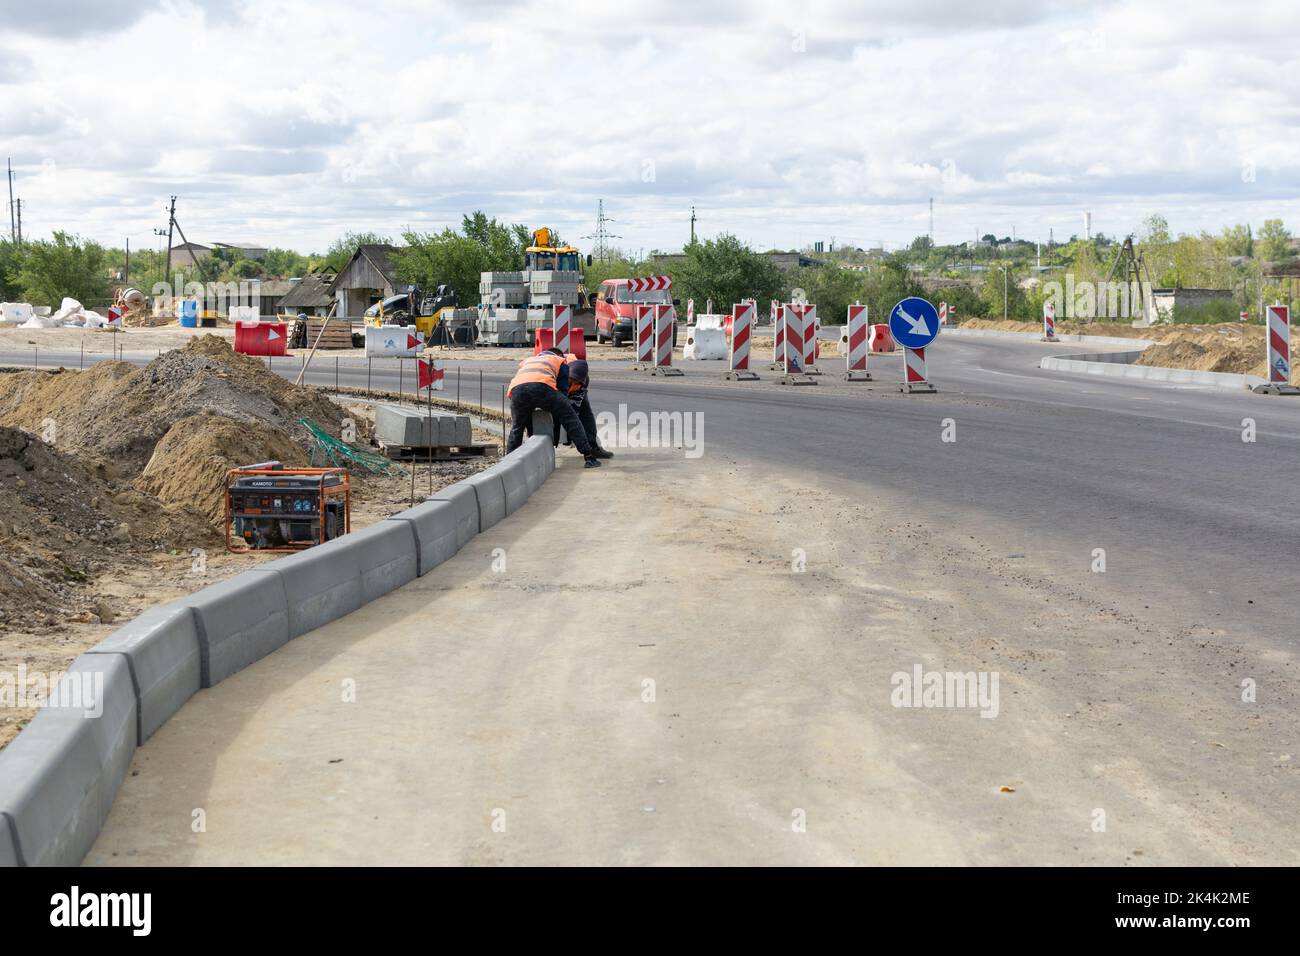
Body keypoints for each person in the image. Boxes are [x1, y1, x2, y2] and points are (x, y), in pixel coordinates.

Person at [506, 348, 602, 467]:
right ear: (560, 355)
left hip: (516, 391)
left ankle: (508, 462)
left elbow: (523, 381)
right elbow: (562, 391)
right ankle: (589, 457)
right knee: (570, 418)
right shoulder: (560, 360)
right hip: (543, 386)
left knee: (517, 427)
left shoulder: (527, 361)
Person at [555, 356, 613, 459]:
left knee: (586, 413)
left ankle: (592, 446)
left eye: (574, 381)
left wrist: (571, 434)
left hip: (573, 383)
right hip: (550, 384)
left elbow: (574, 410)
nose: (571, 383)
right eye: (570, 380)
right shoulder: (557, 373)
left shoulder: (582, 382)